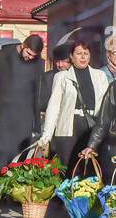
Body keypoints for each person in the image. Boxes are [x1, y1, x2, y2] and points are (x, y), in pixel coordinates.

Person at [0, 35, 45, 183]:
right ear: (23, 45)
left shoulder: (38, 64)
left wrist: (37, 121)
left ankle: (13, 189)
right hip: (0, 115)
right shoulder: (1, 57)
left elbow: (38, 92)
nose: (29, 58)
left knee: (19, 155)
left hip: (24, 116)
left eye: (33, 56)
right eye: (28, 53)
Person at [37, 39, 110, 168]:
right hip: (68, 130)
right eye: (79, 53)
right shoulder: (62, 77)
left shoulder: (100, 76)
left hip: (91, 130)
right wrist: (46, 135)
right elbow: (54, 107)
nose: (82, 57)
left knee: (89, 171)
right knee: (67, 170)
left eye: (86, 53)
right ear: (71, 56)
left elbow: (106, 107)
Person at [37, 44, 73, 136]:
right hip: (50, 124)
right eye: (57, 61)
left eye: (64, 61)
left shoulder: (80, 77)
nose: (60, 65)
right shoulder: (47, 77)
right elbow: (41, 103)